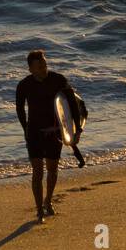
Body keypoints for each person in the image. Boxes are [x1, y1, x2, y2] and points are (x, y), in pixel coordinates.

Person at [16, 50, 81, 224]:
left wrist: (77, 131)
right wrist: (26, 129)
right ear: (30, 69)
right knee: (37, 171)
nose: (44, 68)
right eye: (39, 66)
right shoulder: (24, 85)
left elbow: (73, 105)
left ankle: (48, 200)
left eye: (45, 64)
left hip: (54, 132)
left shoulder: (58, 80)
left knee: (52, 169)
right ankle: (39, 210)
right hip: (34, 133)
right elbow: (20, 109)